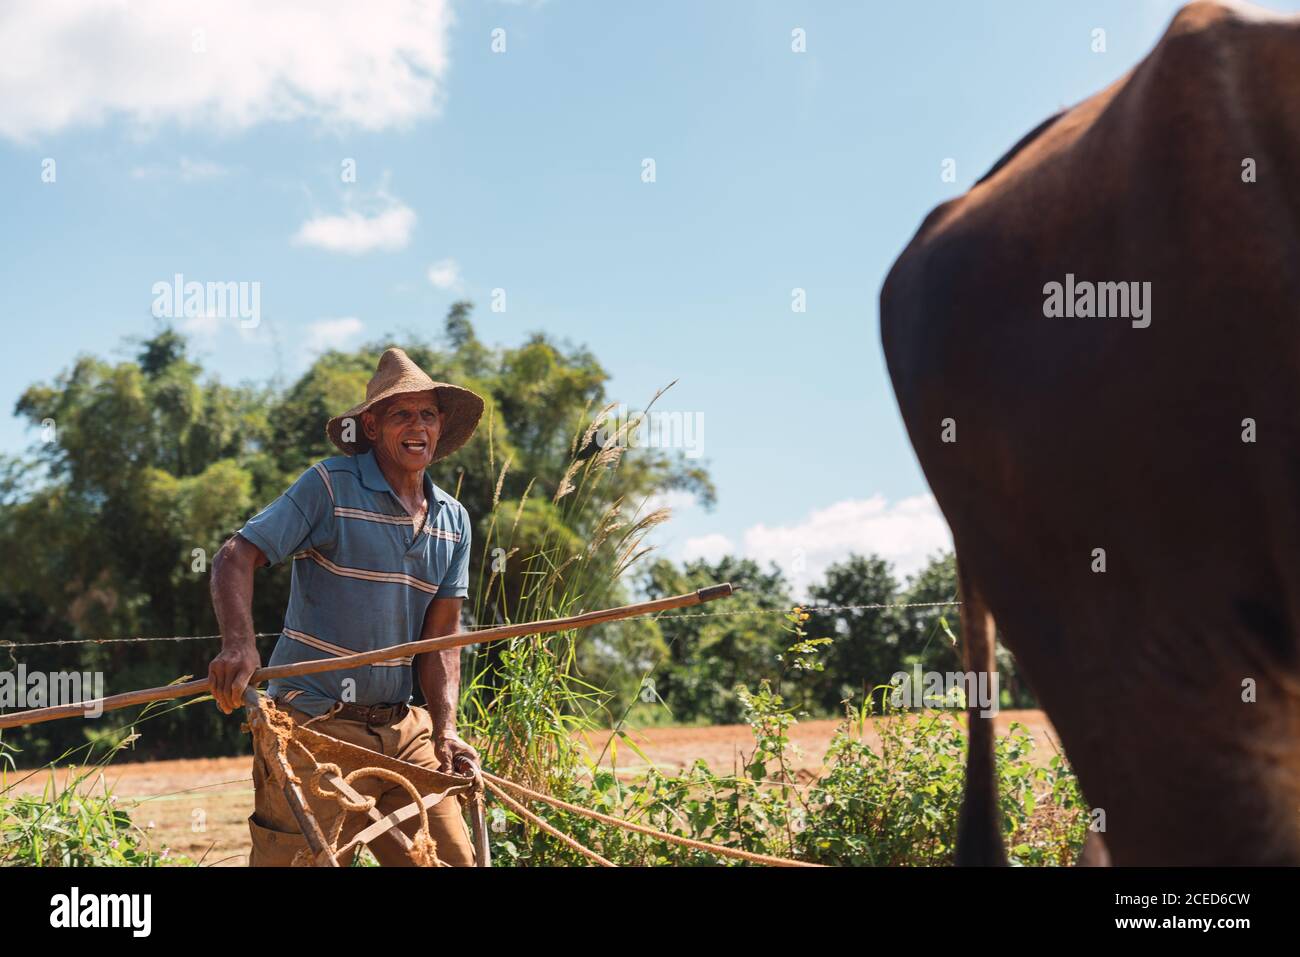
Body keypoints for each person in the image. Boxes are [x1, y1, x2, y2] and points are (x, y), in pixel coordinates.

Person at [207, 346, 485, 866]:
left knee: (451, 860)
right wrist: (240, 645)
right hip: (314, 724)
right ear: (372, 427)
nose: (417, 426)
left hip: (403, 732)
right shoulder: (330, 486)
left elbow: (442, 641)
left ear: (440, 426)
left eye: (427, 414)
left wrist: (445, 729)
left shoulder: (454, 519)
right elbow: (235, 557)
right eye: (401, 414)